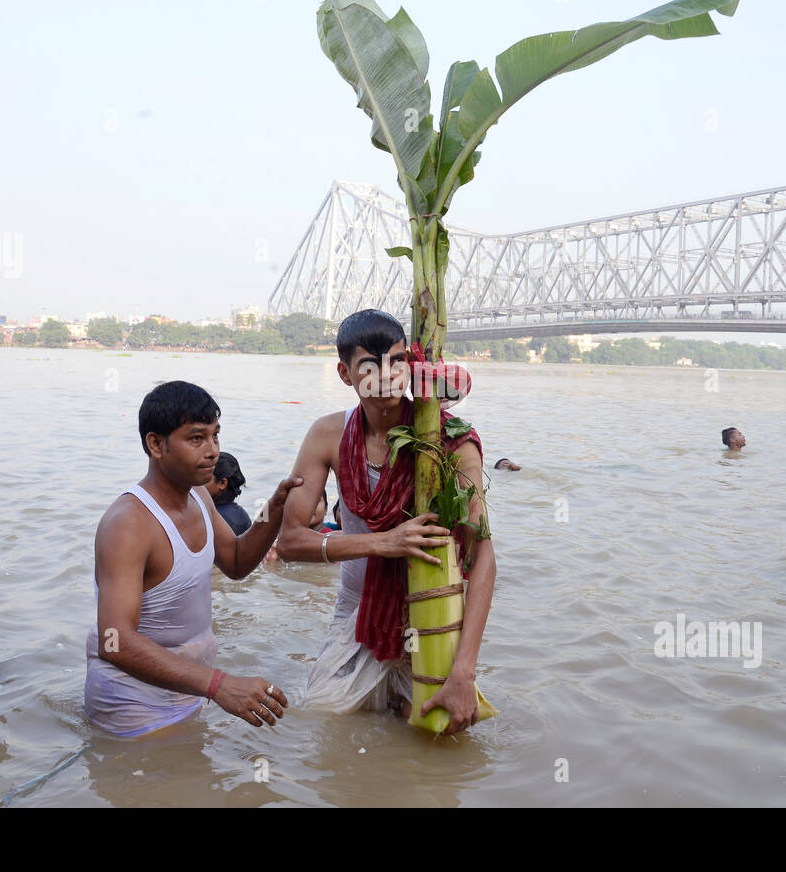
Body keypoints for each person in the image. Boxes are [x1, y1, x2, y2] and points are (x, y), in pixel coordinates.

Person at [275, 309, 497, 734]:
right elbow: (289, 542)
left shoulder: (452, 442)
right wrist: (382, 542)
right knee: (322, 731)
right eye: (370, 365)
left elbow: (483, 555)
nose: (386, 377)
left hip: (433, 618)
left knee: (441, 741)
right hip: (356, 615)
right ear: (345, 373)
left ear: (410, 365)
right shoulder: (328, 434)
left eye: (396, 362)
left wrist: (464, 670)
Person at [85, 381, 298, 737]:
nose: (213, 451)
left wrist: (273, 511)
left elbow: (235, 561)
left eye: (216, 436)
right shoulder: (128, 523)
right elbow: (115, 639)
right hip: (130, 705)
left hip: (187, 689)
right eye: (196, 438)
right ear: (156, 444)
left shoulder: (199, 496)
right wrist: (219, 684)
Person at [204, 452, 252, 535]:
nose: (195, 482)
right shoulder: (242, 514)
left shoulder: (212, 518)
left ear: (222, 483)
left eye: (203, 477)